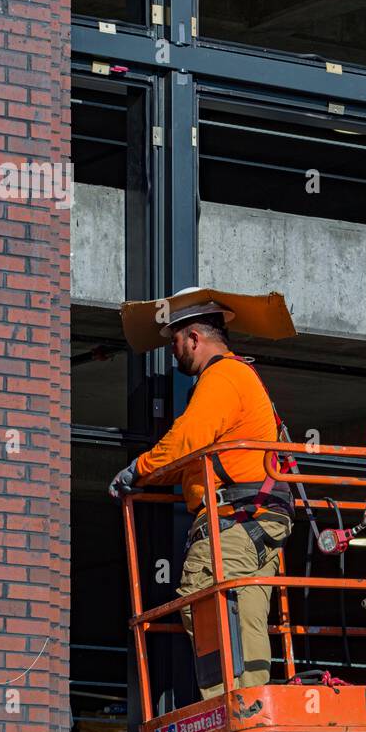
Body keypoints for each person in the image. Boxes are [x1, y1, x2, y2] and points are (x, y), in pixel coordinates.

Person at [109, 287, 296, 698]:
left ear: (194, 338)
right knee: (242, 609)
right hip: (257, 518)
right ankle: (247, 700)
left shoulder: (222, 376)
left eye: (175, 343)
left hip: (236, 517)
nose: (173, 354)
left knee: (208, 600)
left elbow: (186, 441)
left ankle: (229, 707)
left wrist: (136, 471)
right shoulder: (240, 376)